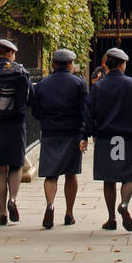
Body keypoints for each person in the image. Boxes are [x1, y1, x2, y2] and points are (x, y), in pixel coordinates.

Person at [80, 48, 132, 230]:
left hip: (105, 138)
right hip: (126, 137)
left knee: (108, 178)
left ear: (107, 65)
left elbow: (89, 113)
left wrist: (86, 135)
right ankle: (125, 204)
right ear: (122, 64)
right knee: (129, 175)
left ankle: (111, 218)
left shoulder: (98, 87)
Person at [32, 49, 88, 229]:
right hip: (71, 133)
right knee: (71, 173)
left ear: (54, 65)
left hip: (50, 133)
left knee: (51, 174)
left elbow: (35, 111)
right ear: (71, 64)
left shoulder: (42, 84)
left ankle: (50, 204)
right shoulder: (78, 83)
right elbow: (84, 111)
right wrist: (84, 133)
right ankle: (69, 213)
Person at [0, 38, 32, 226]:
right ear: (10, 53)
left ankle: (2, 212)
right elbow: (30, 98)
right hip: (16, 125)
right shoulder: (21, 73)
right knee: (16, 165)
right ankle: (13, 199)